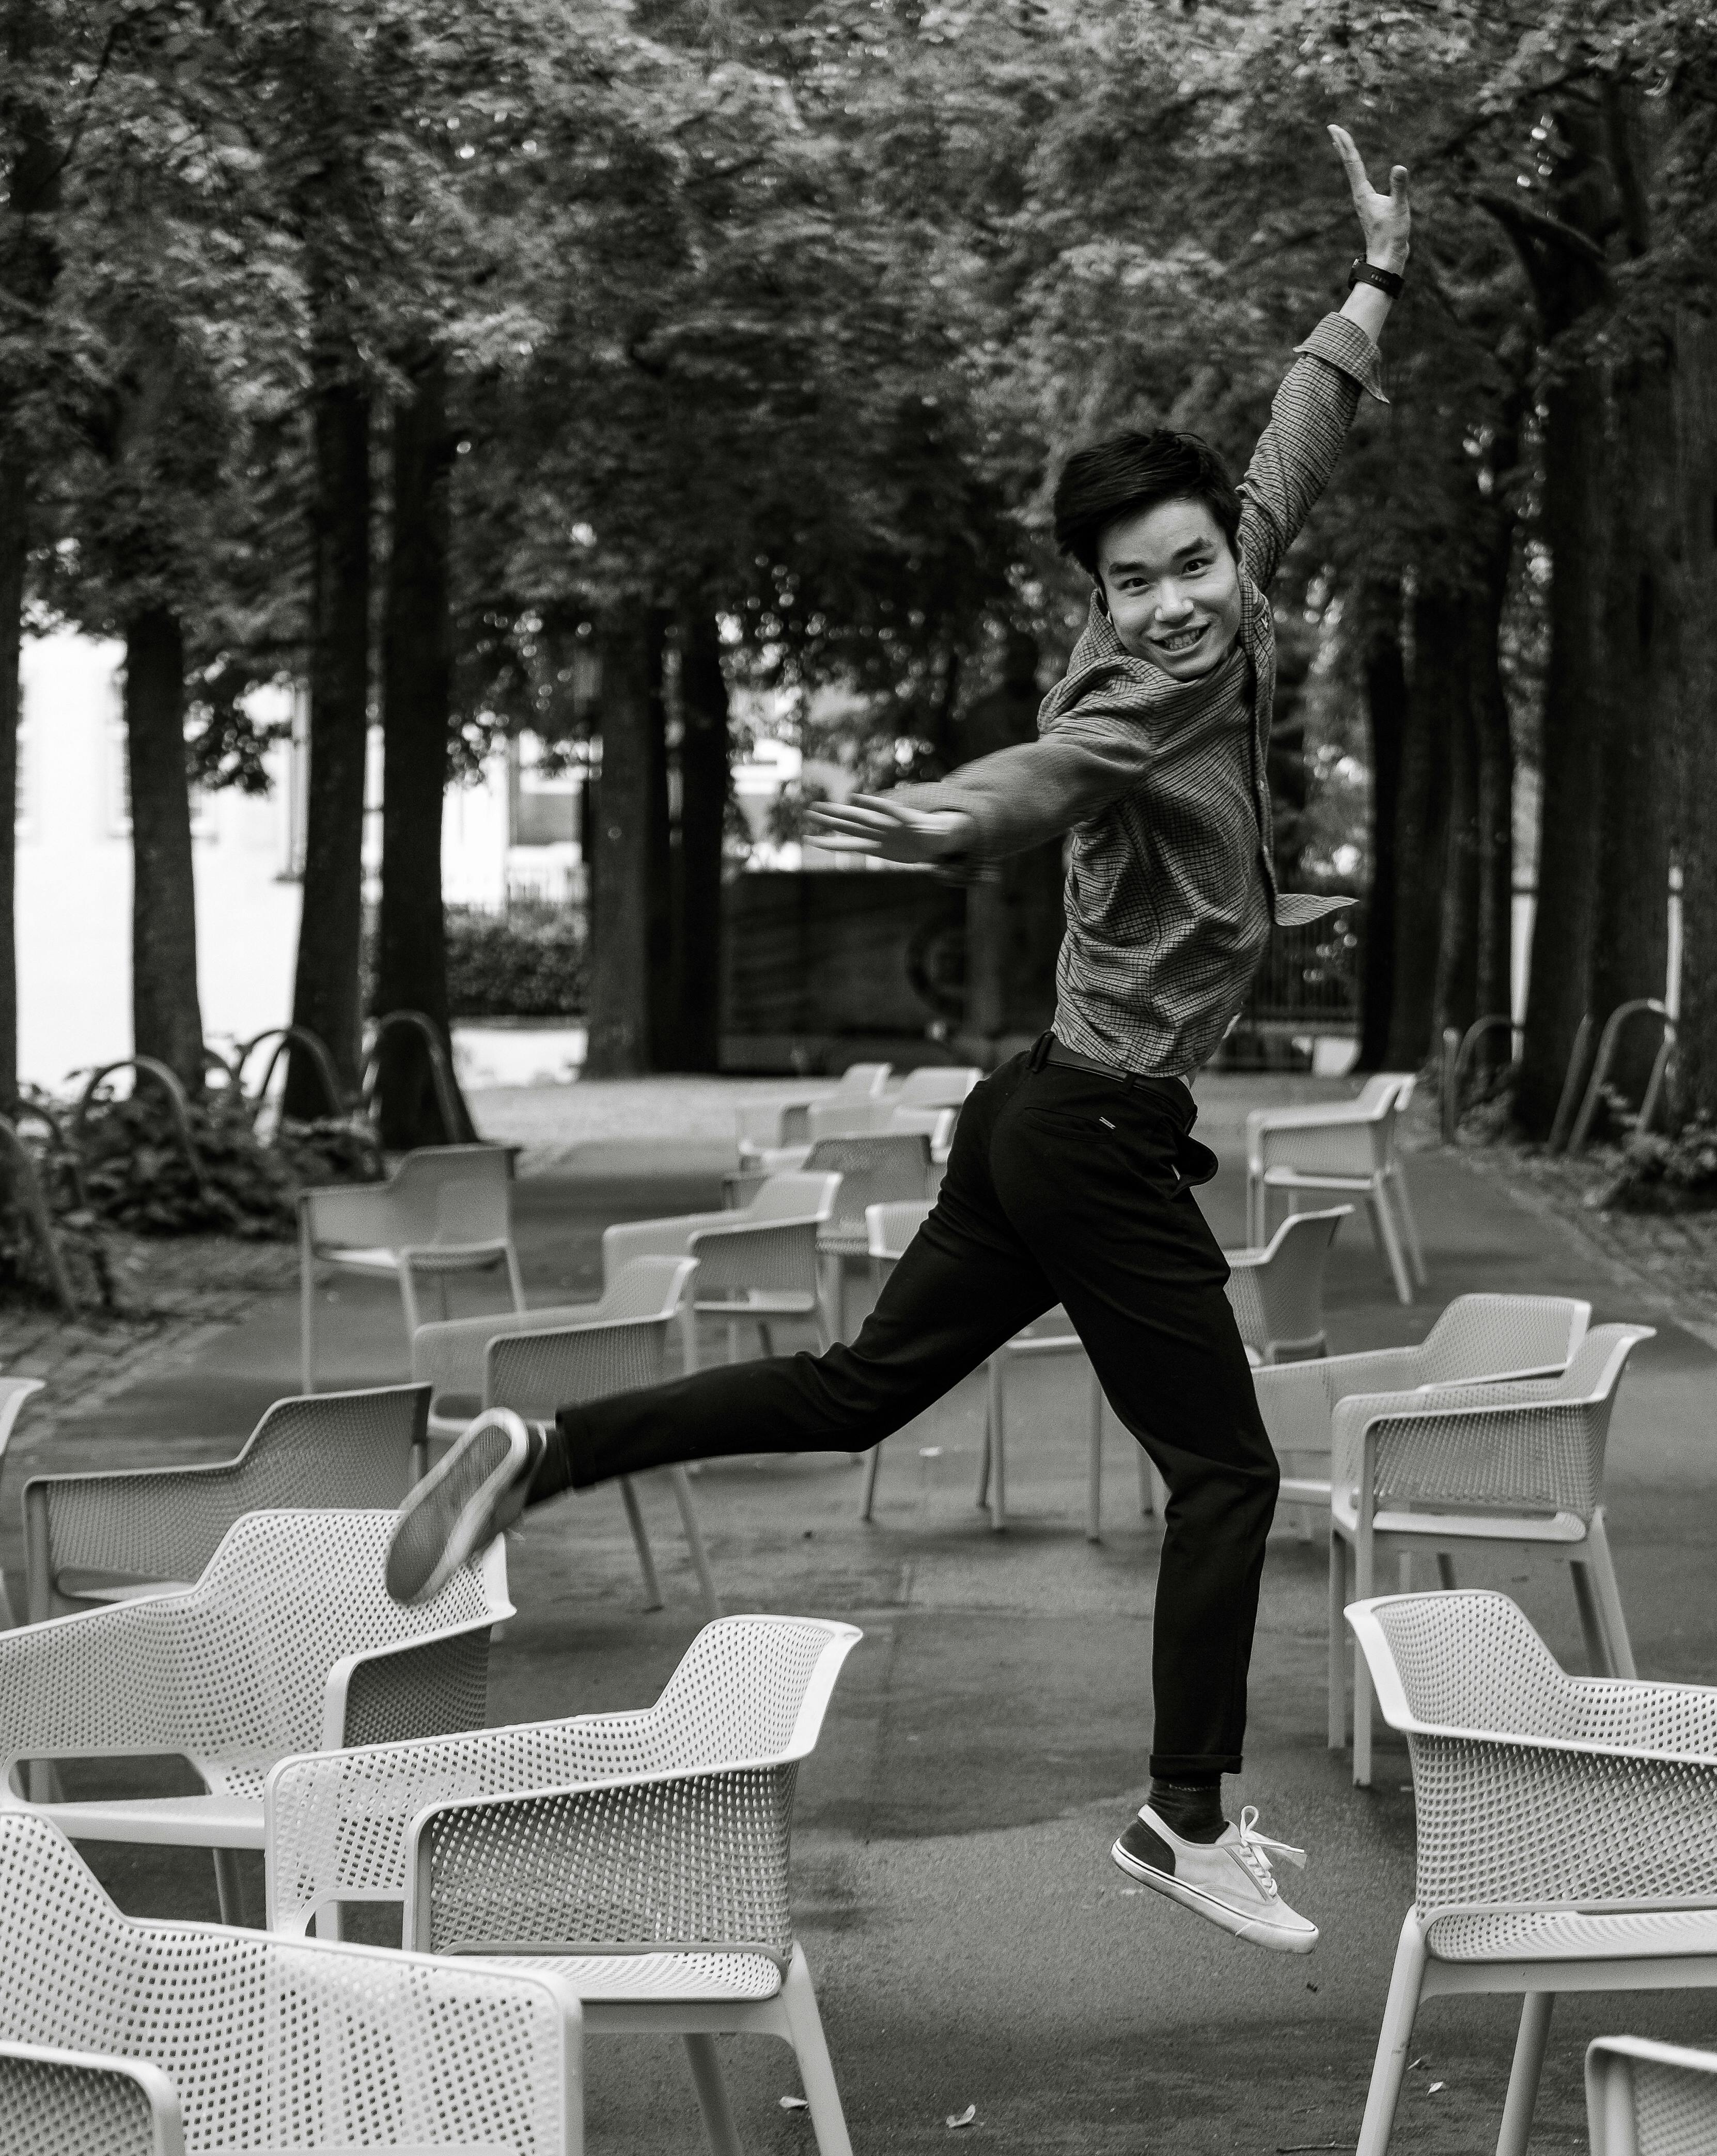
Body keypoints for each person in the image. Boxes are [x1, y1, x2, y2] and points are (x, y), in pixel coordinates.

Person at [383, 122, 1414, 1960]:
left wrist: (1372, 286)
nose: (1173, 599)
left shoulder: (1226, 603)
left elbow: (1286, 451)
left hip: (1039, 1119)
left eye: (1188, 567)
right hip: (1092, 1134)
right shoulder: (1138, 705)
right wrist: (957, 814)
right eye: (1133, 585)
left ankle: (540, 1453)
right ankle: (1187, 1815)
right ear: (1095, 610)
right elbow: (1065, 771)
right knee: (1232, 1476)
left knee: (860, 1390)